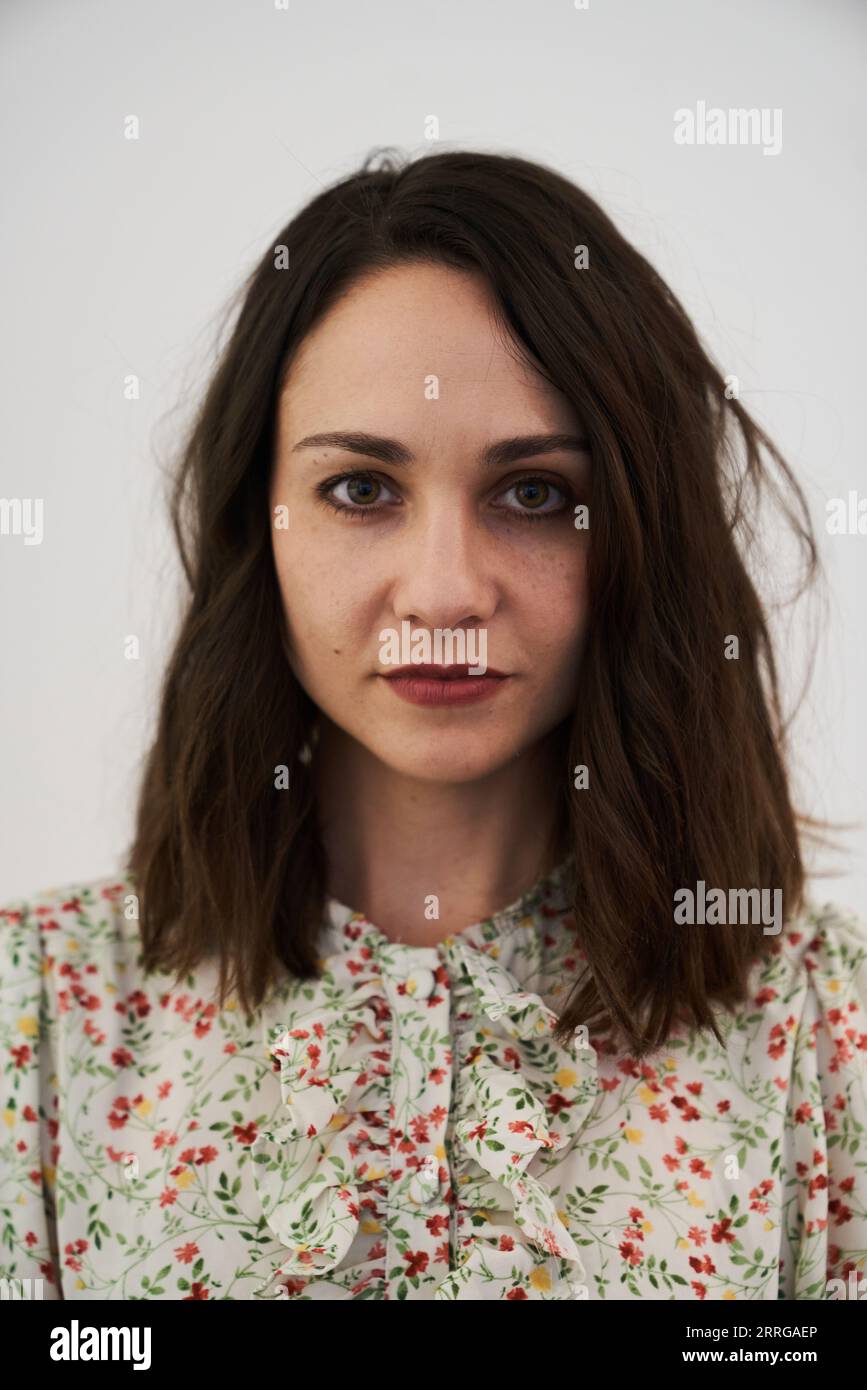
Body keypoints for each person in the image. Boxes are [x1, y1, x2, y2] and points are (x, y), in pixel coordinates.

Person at [1, 148, 865, 1302]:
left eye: (537, 493)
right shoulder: (34, 1020)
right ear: (257, 524)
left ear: (640, 536)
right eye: (362, 488)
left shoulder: (829, 1032)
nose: (446, 591)